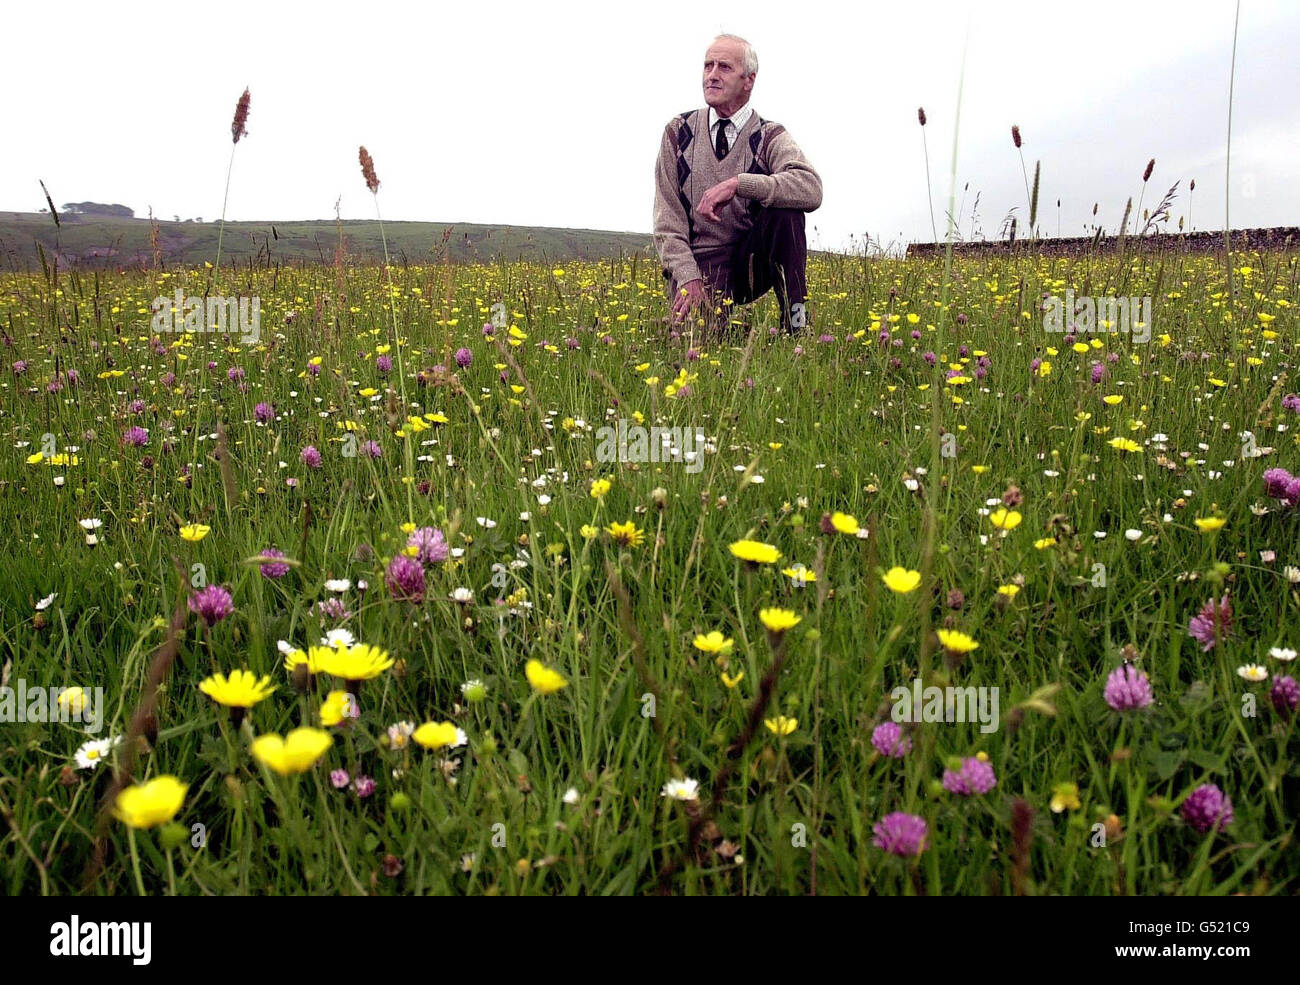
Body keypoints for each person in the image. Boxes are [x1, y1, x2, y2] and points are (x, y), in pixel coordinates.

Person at [652, 34, 822, 332]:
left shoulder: (768, 135)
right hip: (700, 265)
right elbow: (667, 223)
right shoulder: (678, 133)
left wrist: (740, 184)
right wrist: (687, 277)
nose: (712, 76)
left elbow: (810, 187)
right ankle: (736, 327)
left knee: (786, 212)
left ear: (749, 80)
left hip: (750, 260)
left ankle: (796, 323)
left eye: (724, 68)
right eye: (708, 66)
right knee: (697, 351)